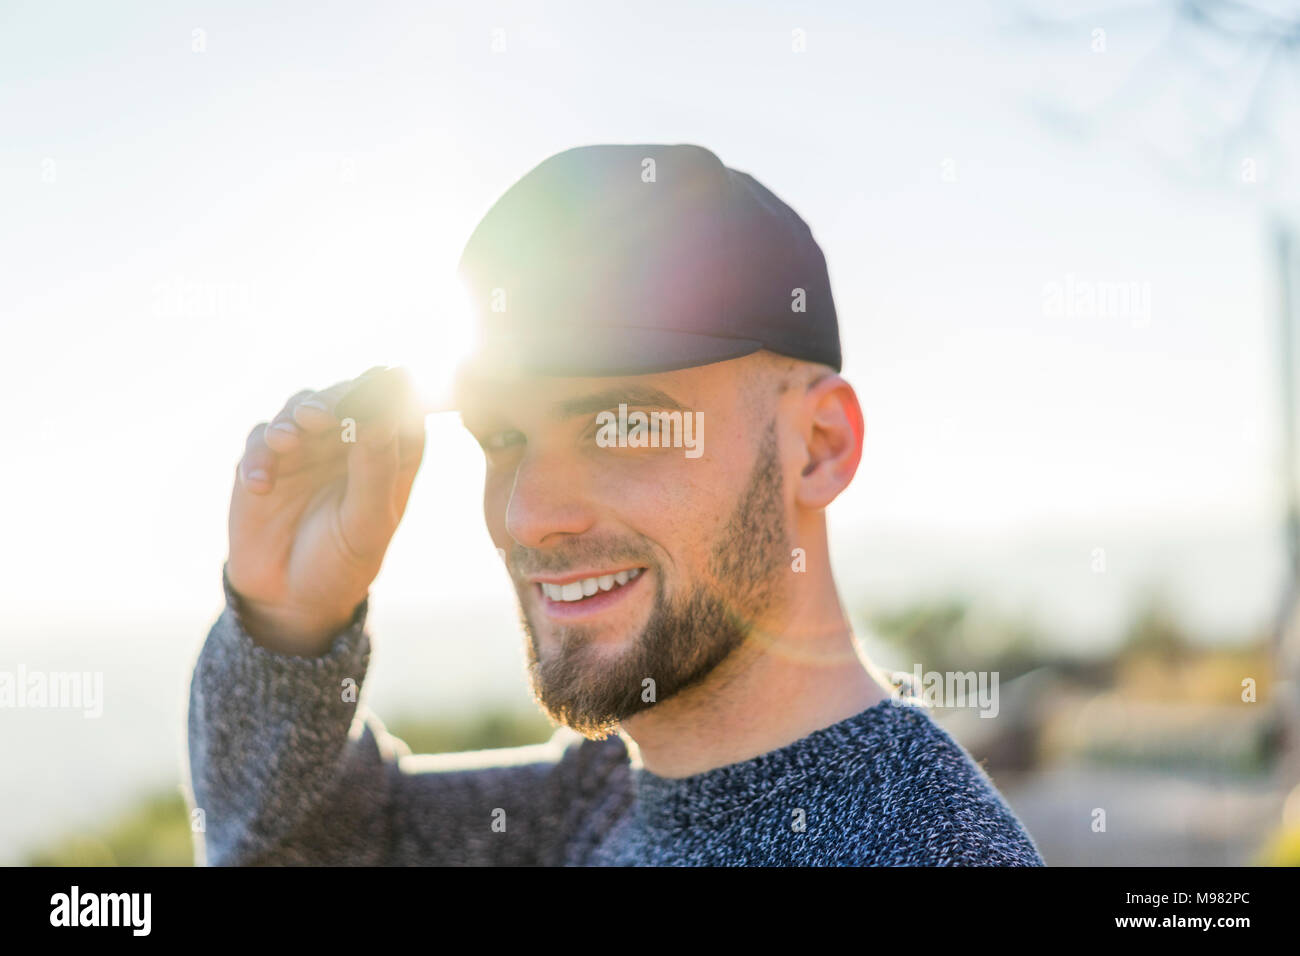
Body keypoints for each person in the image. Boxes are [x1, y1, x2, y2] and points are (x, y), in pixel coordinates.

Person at [186, 143, 1045, 866]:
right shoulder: (601, 793)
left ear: (819, 446)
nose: (529, 518)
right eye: (501, 437)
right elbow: (301, 851)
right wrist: (287, 624)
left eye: (621, 426)